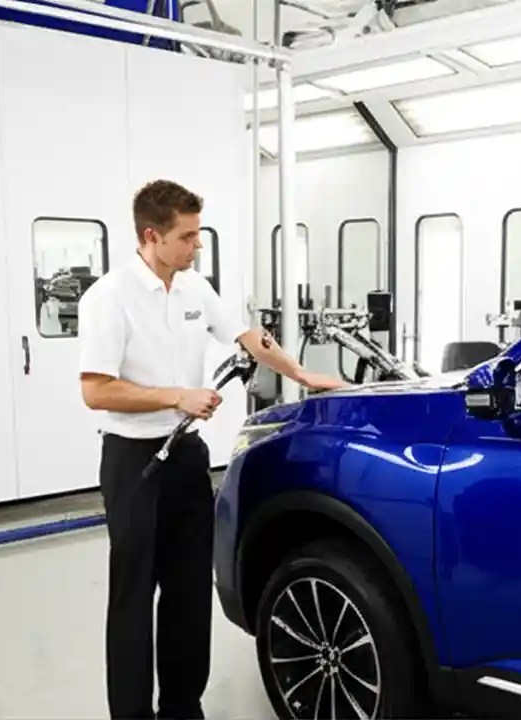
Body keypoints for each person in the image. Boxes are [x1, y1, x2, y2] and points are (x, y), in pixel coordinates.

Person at [77, 179, 345, 720]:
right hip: (134, 463)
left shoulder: (196, 288)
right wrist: (177, 395)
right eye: (188, 236)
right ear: (152, 237)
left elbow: (247, 336)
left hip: (186, 459)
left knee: (188, 588)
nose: (197, 246)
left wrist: (299, 372)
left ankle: (182, 706)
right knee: (134, 597)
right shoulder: (108, 298)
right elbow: (96, 389)